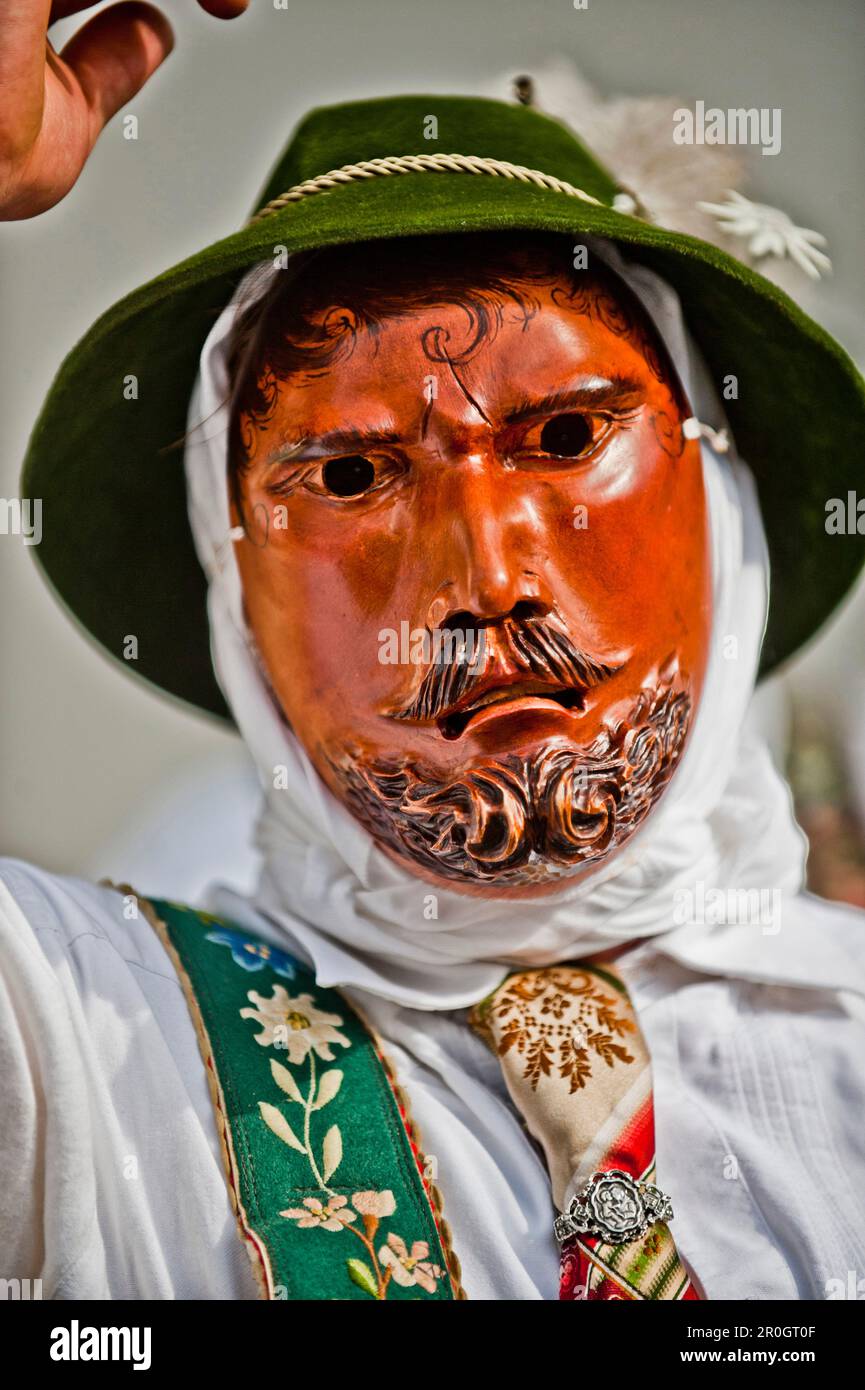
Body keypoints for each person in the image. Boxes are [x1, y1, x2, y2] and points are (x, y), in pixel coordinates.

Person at [2, 8, 865, 1302]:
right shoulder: (83, 1051)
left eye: (567, 438)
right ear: (234, 585)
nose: (482, 577)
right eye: (349, 473)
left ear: (717, 501)